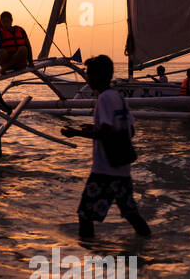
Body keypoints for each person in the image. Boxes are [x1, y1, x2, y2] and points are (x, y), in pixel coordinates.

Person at [60, 54, 151, 239]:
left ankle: (90, 251)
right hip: (122, 170)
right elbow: (129, 130)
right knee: (130, 213)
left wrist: (76, 133)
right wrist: (94, 128)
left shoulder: (103, 99)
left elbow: (106, 133)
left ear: (98, 76)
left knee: (85, 215)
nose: (87, 78)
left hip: (105, 170)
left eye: (89, 74)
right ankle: (149, 244)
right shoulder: (118, 97)